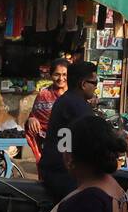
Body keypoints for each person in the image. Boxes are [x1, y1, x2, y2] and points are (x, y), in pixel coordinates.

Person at [38, 60, 99, 200]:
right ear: (83, 84)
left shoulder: (68, 100)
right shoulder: (77, 106)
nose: (96, 87)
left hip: (58, 168)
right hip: (63, 173)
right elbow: (95, 134)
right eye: (94, 83)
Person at [25, 57, 69, 159]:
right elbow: (34, 115)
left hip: (71, 143)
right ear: (50, 75)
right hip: (48, 144)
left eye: (65, 75)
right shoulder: (43, 94)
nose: (61, 79)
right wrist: (31, 120)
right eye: (56, 74)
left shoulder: (75, 94)